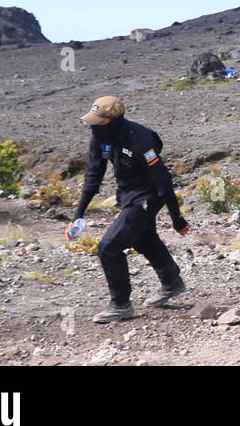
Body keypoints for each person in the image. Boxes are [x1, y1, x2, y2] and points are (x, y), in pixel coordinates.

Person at [67, 95, 190, 323]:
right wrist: (78, 215)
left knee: (109, 247)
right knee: (143, 238)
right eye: (92, 121)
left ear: (114, 119)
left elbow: (163, 181)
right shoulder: (100, 137)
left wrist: (177, 218)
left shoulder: (141, 140)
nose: (93, 126)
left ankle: (121, 305)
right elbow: (93, 177)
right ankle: (172, 282)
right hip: (127, 195)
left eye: (98, 121)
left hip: (147, 197)